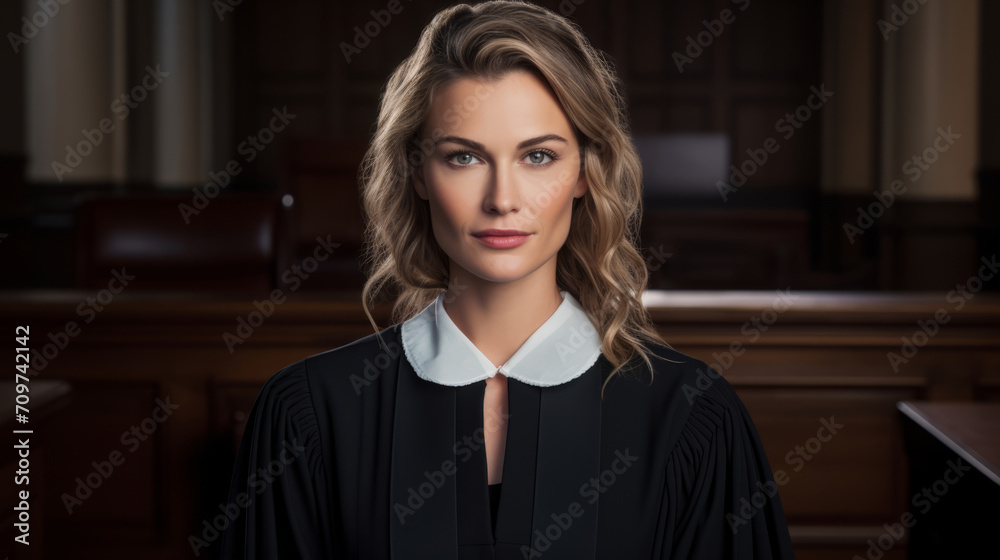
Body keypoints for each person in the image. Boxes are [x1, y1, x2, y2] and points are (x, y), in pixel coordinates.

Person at [219, 1, 795, 558]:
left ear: (585, 173)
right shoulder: (310, 414)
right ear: (416, 172)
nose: (502, 200)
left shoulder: (691, 418)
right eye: (463, 157)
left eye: (538, 156)